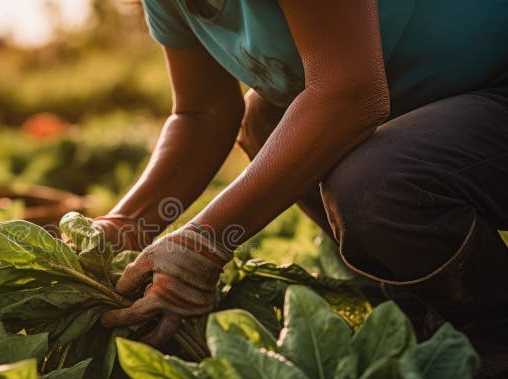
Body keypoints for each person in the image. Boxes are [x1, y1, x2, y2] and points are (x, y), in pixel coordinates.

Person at [92, 0, 508, 347]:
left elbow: (351, 94)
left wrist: (206, 241)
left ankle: (488, 340)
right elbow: (203, 112)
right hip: (435, 105)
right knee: (266, 118)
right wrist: (124, 226)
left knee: (376, 180)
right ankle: (418, 315)